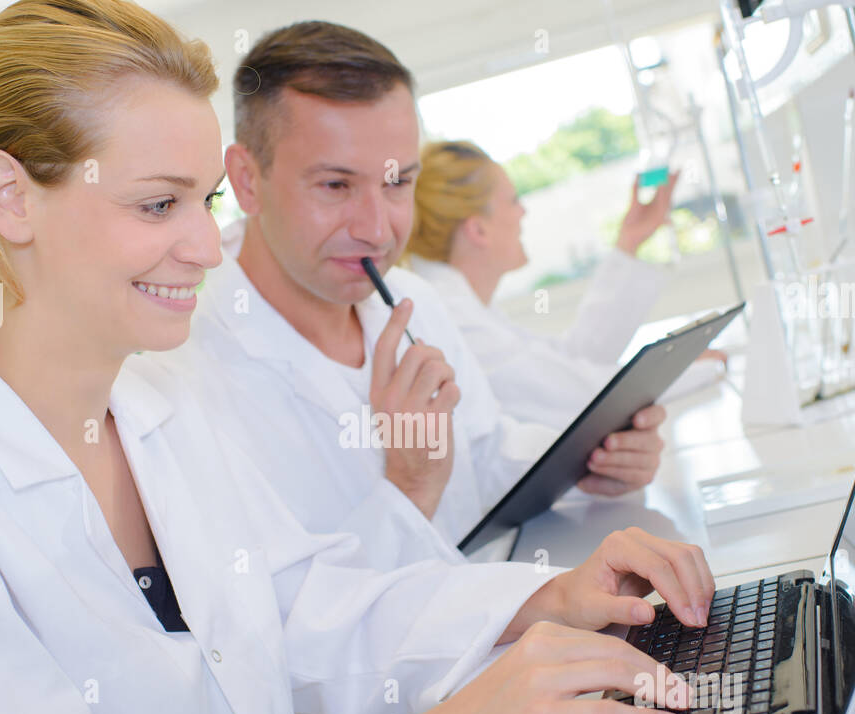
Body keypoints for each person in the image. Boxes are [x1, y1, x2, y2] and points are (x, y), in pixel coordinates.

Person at [0, 0, 713, 714]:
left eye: (201, 203)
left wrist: (544, 599)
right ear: (12, 200)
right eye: (156, 204)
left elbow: (300, 607)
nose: (201, 244)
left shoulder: (151, 403)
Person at [173, 20, 672, 552]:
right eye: (336, 185)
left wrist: (588, 464)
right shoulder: (189, 373)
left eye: (396, 183)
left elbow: (486, 452)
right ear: (248, 181)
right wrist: (410, 485)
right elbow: (288, 617)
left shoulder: (415, 302)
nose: (376, 228)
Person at [407, 140, 726, 432]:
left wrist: (629, 240)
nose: (523, 211)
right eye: (513, 200)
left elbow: (574, 359)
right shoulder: (452, 319)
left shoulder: (469, 309)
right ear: (478, 229)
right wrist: (681, 367)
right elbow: (578, 399)